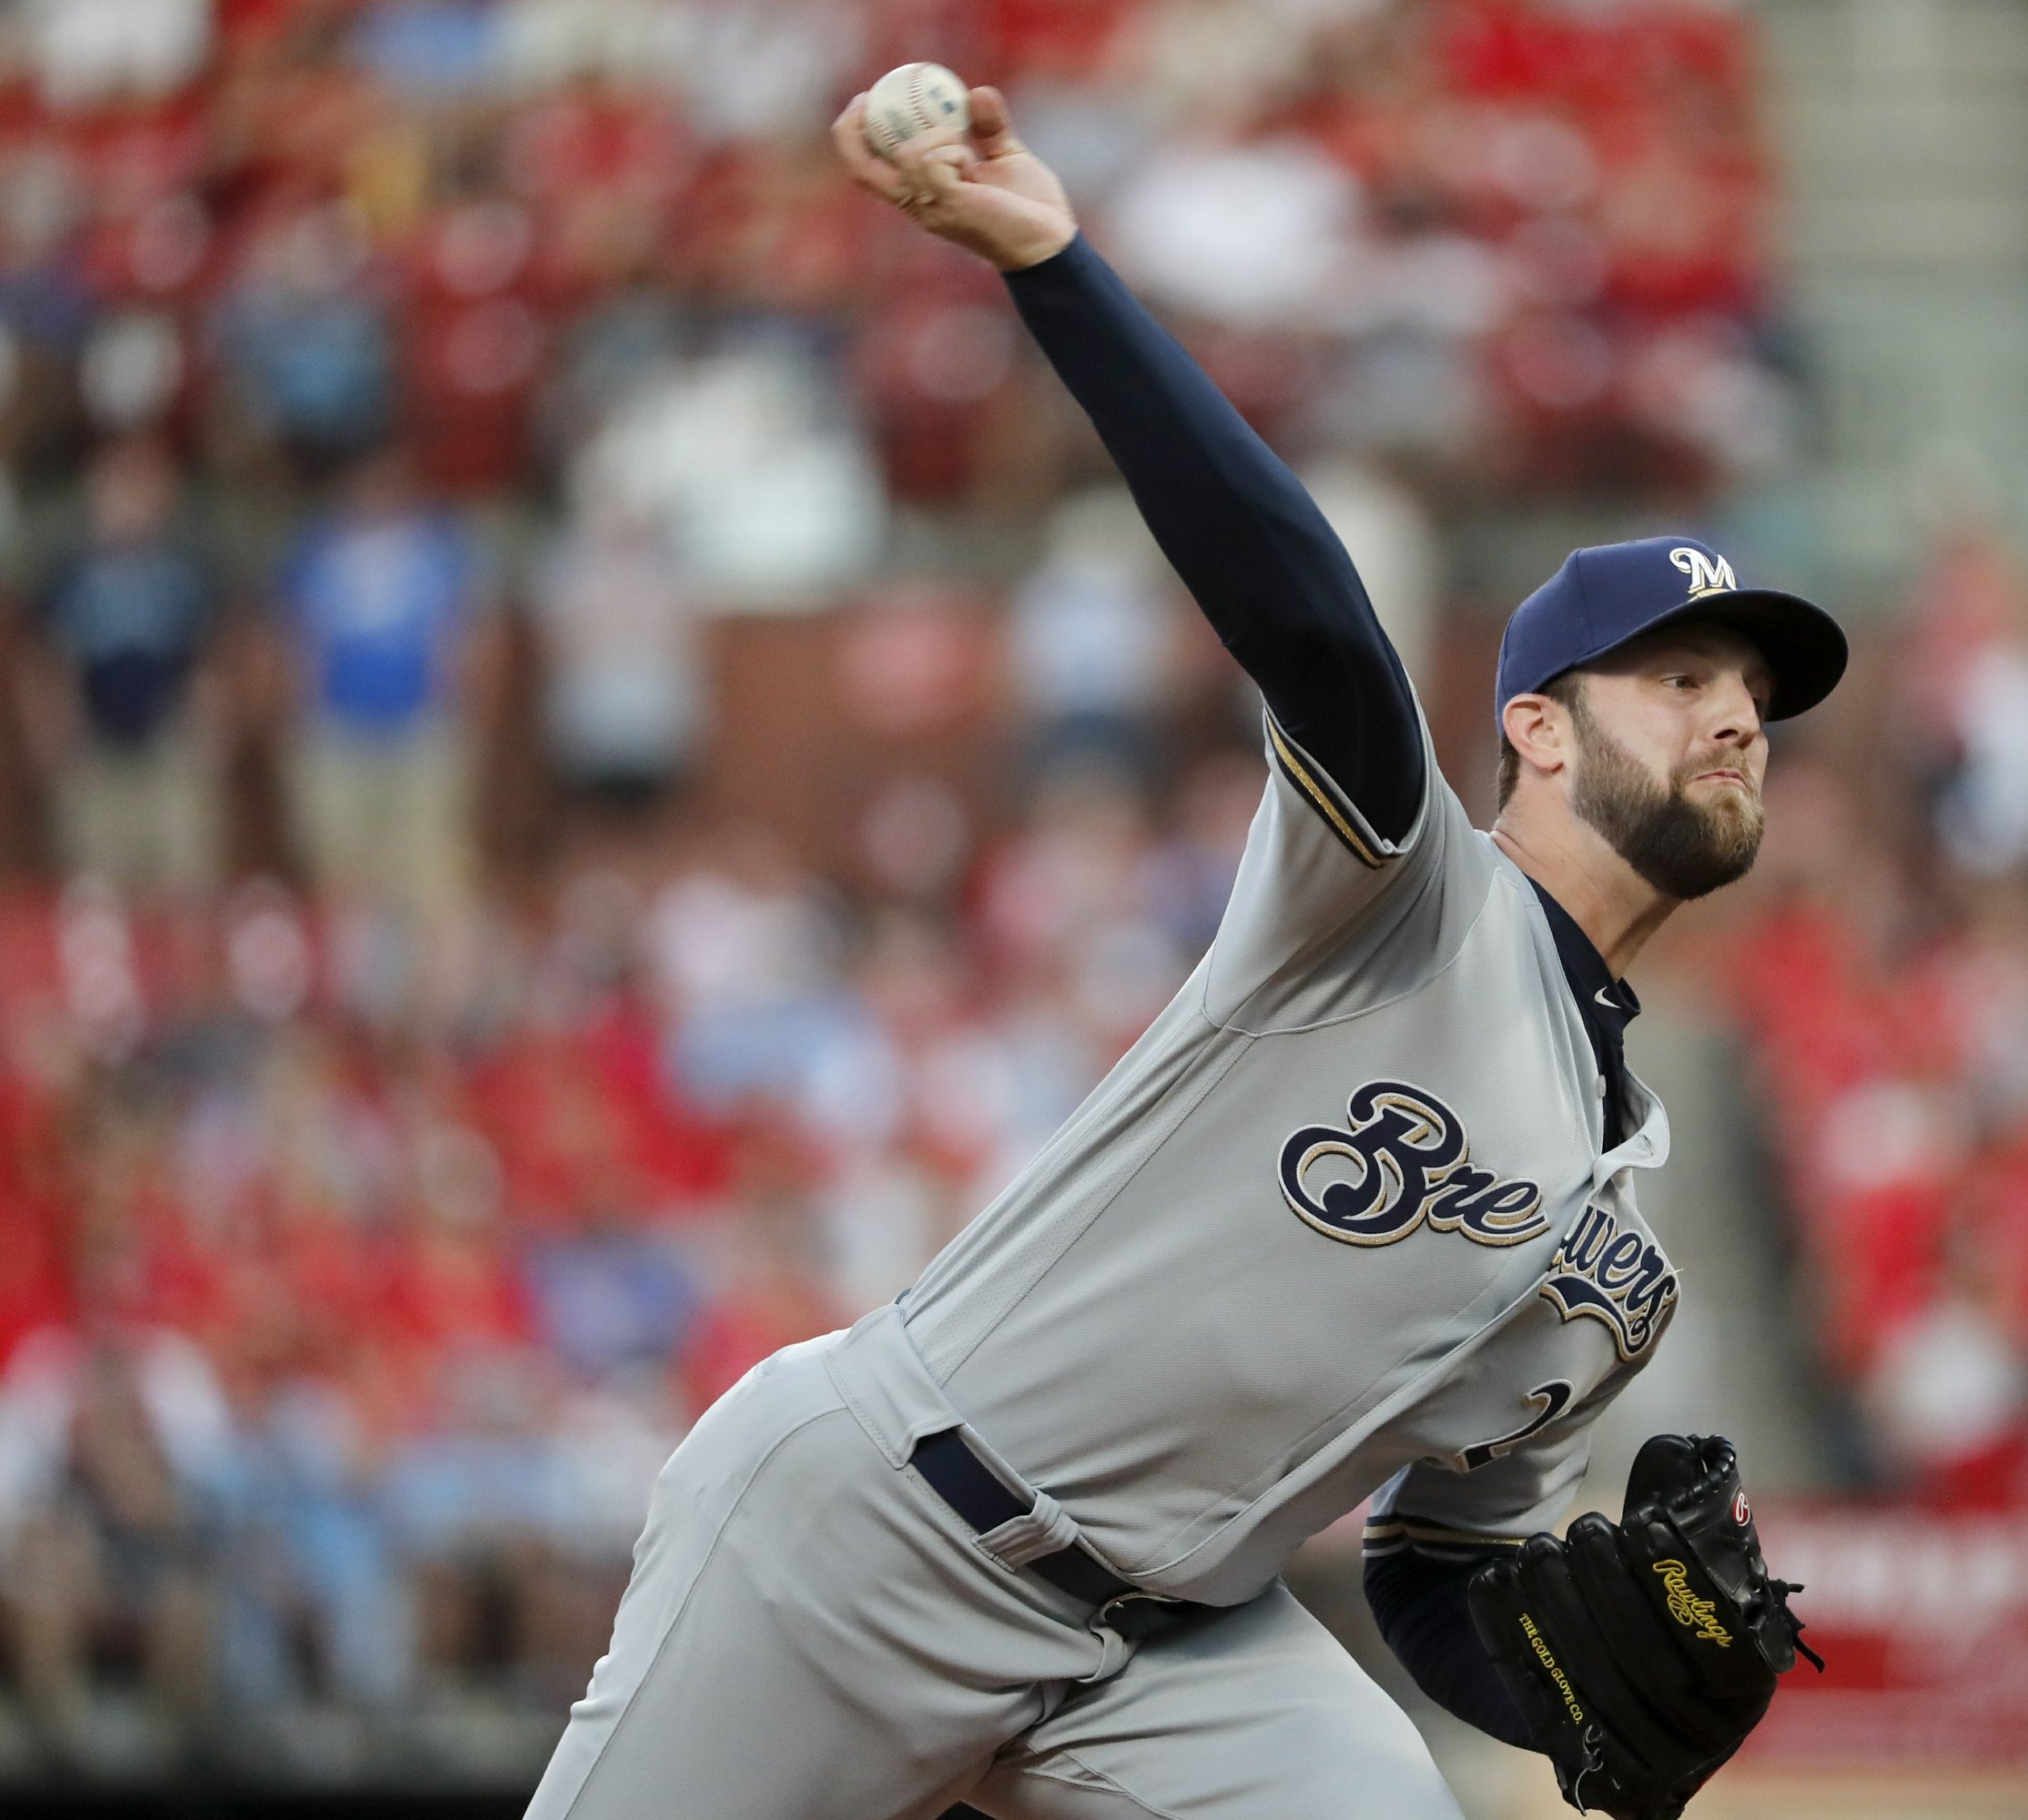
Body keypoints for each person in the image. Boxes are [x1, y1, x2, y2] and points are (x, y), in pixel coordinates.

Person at [523, 85, 1848, 1820]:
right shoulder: (1401, 899)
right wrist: (1059, 267)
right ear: (1531, 727)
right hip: (885, 1525)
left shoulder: (1631, 1236)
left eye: (1752, 696)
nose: (1735, 719)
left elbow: (1440, 1571)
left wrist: (1572, 1696)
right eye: (1680, 679)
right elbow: (1311, 621)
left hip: (1169, 1653)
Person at [278, 445, 488, 918]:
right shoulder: (317, 552)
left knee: (431, 865)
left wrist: (461, 711)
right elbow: (299, 643)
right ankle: (354, 977)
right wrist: (301, 717)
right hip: (338, 725)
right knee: (339, 859)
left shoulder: (439, 550)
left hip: (421, 725)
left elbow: (462, 638)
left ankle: (425, 984)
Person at [17, 439, 222, 895]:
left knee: (181, 879)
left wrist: (206, 719)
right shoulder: (70, 571)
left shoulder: (182, 571)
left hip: (166, 740)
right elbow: (44, 658)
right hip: (93, 740)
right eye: (120, 491)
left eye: (145, 491)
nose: (132, 506)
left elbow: (207, 652)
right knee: (99, 881)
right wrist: (49, 725)